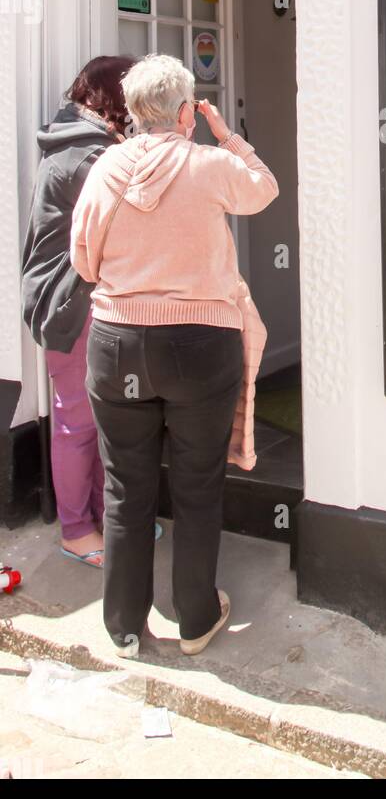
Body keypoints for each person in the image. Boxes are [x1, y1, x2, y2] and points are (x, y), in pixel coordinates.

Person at [70, 53, 278, 658]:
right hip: (199, 345)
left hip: (117, 345)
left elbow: (84, 260)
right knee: (196, 486)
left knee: (124, 489)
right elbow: (264, 189)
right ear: (186, 109)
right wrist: (227, 134)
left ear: (133, 112)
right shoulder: (210, 164)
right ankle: (196, 620)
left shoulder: (107, 168)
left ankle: (125, 630)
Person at [21, 56, 133, 567]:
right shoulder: (87, 158)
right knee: (77, 420)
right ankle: (75, 531)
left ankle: (97, 522)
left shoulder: (81, 145)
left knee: (94, 417)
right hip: (68, 302)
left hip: (74, 297)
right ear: (113, 98)